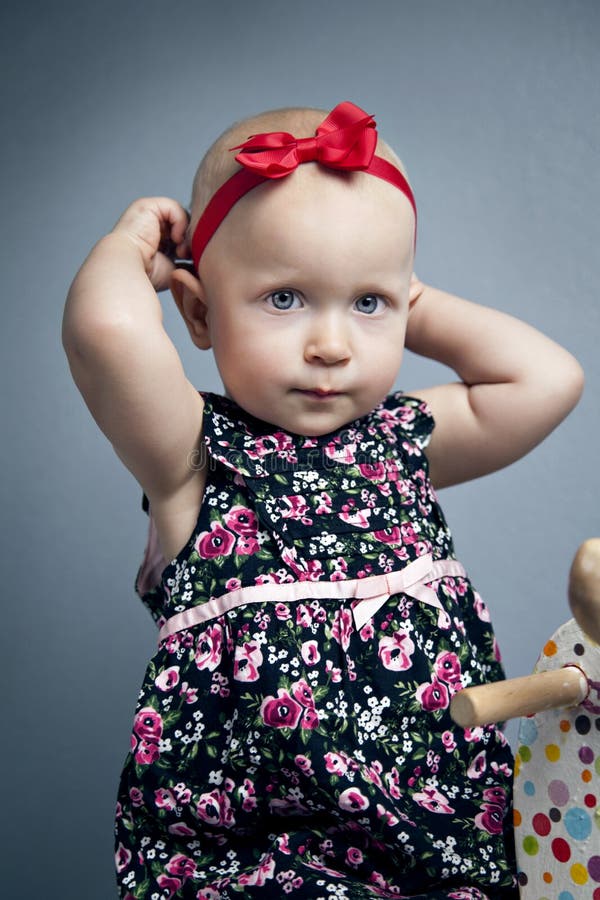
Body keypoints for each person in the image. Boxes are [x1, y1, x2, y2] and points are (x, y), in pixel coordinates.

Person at [62, 101, 583, 899]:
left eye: (365, 306)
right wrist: (134, 244)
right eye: (285, 299)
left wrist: (408, 297)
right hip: (257, 854)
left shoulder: (405, 436)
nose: (332, 345)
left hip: (440, 835)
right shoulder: (192, 456)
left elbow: (549, 380)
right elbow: (106, 332)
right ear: (200, 312)